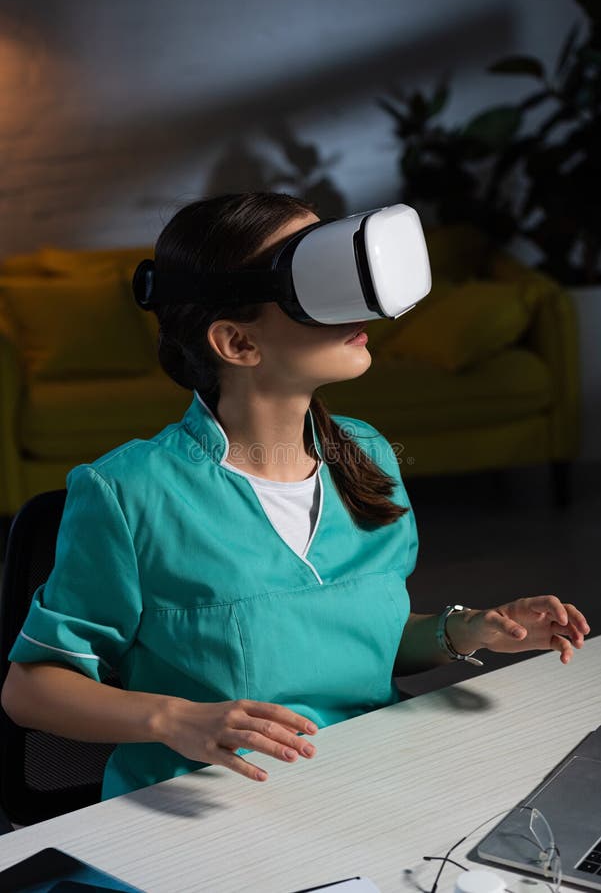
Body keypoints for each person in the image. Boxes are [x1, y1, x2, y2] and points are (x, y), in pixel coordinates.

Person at [1, 192, 590, 801]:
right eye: (311, 280)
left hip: (374, 775)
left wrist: (470, 630)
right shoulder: (128, 492)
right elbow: (30, 688)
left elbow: (368, 644)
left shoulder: (365, 455)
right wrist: (174, 719)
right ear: (237, 342)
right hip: (215, 802)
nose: (354, 305)